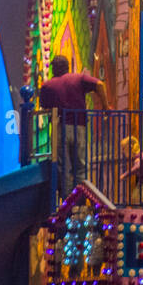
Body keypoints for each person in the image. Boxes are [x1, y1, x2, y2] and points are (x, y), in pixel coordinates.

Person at [39, 55, 110, 191]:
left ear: (54, 68)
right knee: (81, 166)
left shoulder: (48, 85)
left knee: (64, 167)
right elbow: (99, 84)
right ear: (67, 67)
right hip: (79, 126)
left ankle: (67, 204)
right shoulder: (79, 78)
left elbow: (45, 107)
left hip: (60, 127)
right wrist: (106, 107)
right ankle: (80, 201)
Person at [122, 136, 143, 206]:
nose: (123, 151)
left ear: (129, 148)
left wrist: (124, 175)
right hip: (142, 181)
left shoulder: (138, 158)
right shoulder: (136, 157)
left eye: (123, 149)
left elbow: (136, 168)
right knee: (134, 198)